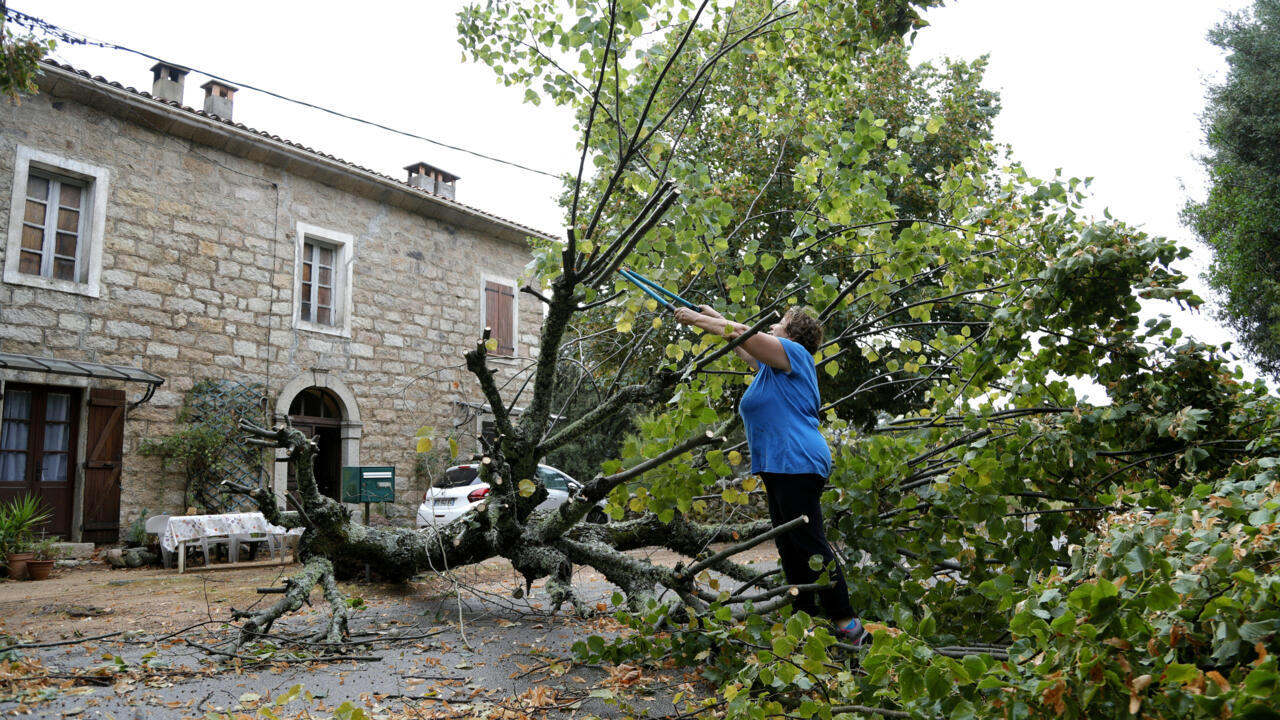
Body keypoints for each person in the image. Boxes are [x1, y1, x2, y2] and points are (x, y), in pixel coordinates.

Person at [673, 303, 864, 642]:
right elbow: (740, 339)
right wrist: (714, 315)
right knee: (790, 545)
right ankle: (803, 620)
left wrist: (697, 320)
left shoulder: (795, 355)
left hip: (797, 460)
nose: (773, 325)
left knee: (809, 543)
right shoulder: (772, 368)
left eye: (780, 323)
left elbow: (741, 332)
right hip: (783, 464)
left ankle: (848, 624)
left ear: (792, 335)